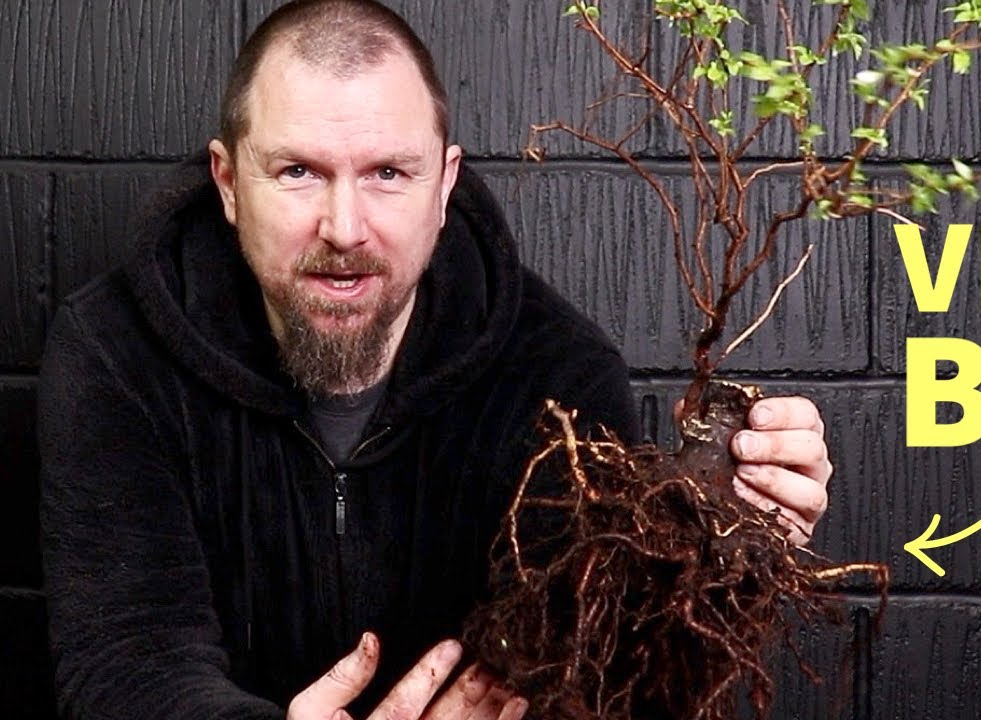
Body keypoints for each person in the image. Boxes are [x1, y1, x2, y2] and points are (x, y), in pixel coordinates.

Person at [38, 1, 835, 718]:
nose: (343, 227)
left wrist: (730, 559)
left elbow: (599, 679)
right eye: (298, 172)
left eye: (388, 172)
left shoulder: (558, 375)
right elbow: (127, 663)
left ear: (444, 183)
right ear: (229, 183)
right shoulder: (115, 353)